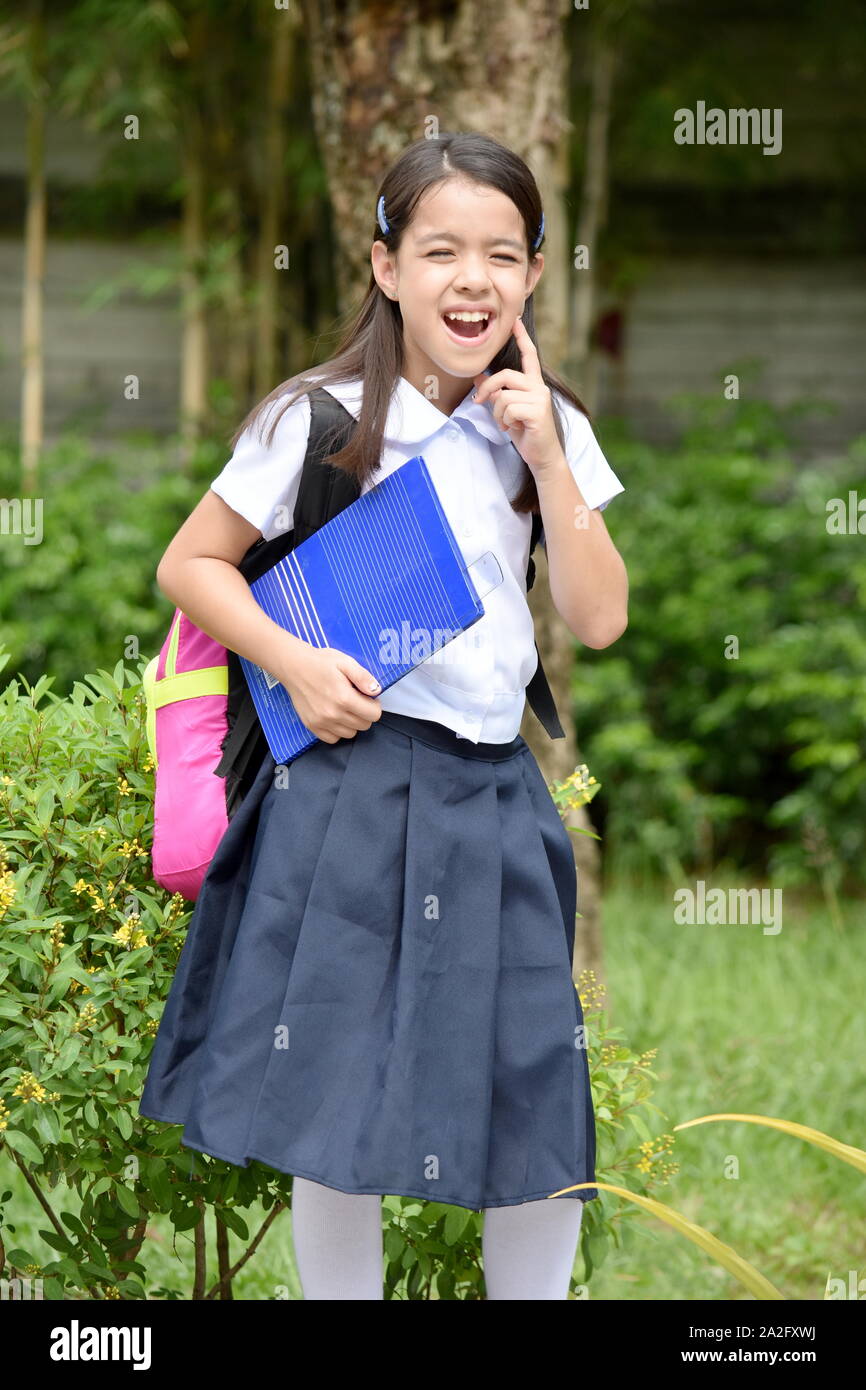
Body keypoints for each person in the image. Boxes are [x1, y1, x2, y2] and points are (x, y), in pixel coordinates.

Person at [138, 130, 628, 1300]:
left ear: (532, 274)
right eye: (441, 250)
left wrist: (548, 462)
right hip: (348, 780)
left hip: (493, 788)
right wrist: (295, 661)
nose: (472, 278)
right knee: (333, 1089)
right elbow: (192, 565)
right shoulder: (315, 421)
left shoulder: (545, 426)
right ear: (384, 264)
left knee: (529, 1088)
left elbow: (597, 618)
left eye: (501, 254)